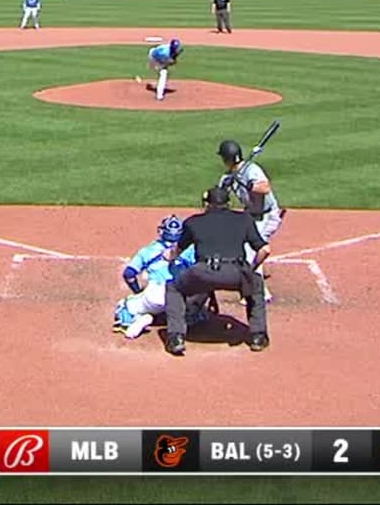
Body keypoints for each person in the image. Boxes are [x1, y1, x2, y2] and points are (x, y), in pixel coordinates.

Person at [160, 186, 271, 356]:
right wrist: (250, 269)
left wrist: (167, 256)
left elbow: (176, 251)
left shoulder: (193, 222)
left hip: (203, 273)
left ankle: (176, 337)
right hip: (236, 272)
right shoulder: (244, 219)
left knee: (174, 288)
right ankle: (258, 336)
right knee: (255, 285)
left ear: (207, 204)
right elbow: (265, 250)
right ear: (228, 203)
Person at [217, 138, 285, 302]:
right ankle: (255, 287)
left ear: (227, 159)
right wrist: (224, 186)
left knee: (252, 252)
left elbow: (264, 187)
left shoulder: (251, 170)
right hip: (251, 216)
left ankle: (259, 292)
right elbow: (218, 197)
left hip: (267, 216)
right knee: (248, 251)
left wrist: (245, 184)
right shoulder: (230, 175)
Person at [113, 215, 197, 340]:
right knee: (196, 303)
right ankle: (191, 316)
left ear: (162, 231)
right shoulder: (190, 250)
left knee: (123, 307)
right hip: (182, 296)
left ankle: (136, 321)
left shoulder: (149, 250)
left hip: (155, 296)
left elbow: (129, 274)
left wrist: (137, 292)